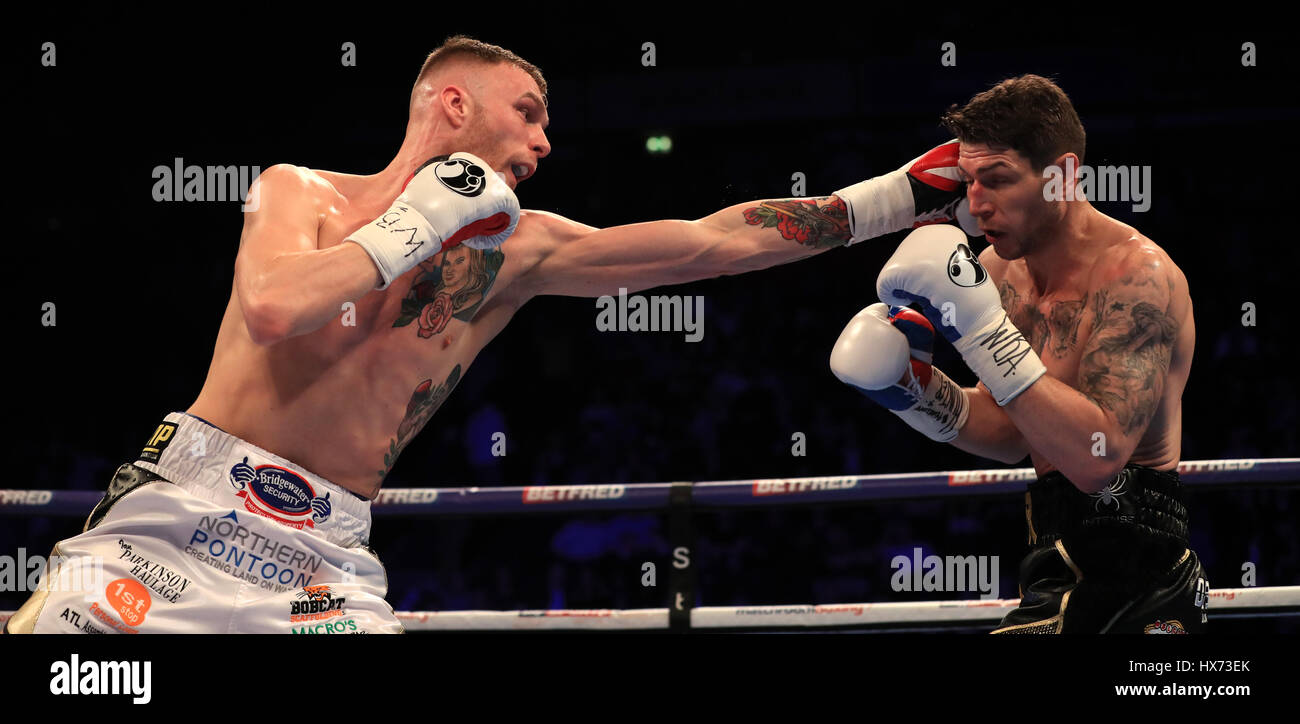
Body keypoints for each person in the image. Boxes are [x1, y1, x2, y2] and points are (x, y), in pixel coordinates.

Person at [7, 36, 974, 633]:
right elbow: (273, 308)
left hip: (323, 564)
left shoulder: (523, 253)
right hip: (178, 518)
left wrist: (892, 197)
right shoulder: (298, 190)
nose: (546, 142)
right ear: (454, 103)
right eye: (529, 114)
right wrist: (417, 222)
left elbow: (712, 243)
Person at [831, 74, 1210, 634]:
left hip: (1137, 568)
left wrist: (983, 331)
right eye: (968, 181)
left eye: (997, 180)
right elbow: (1013, 433)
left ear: (1061, 177)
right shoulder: (998, 274)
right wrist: (913, 391)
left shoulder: (1137, 277)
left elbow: (1097, 460)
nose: (975, 203)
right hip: (1052, 561)